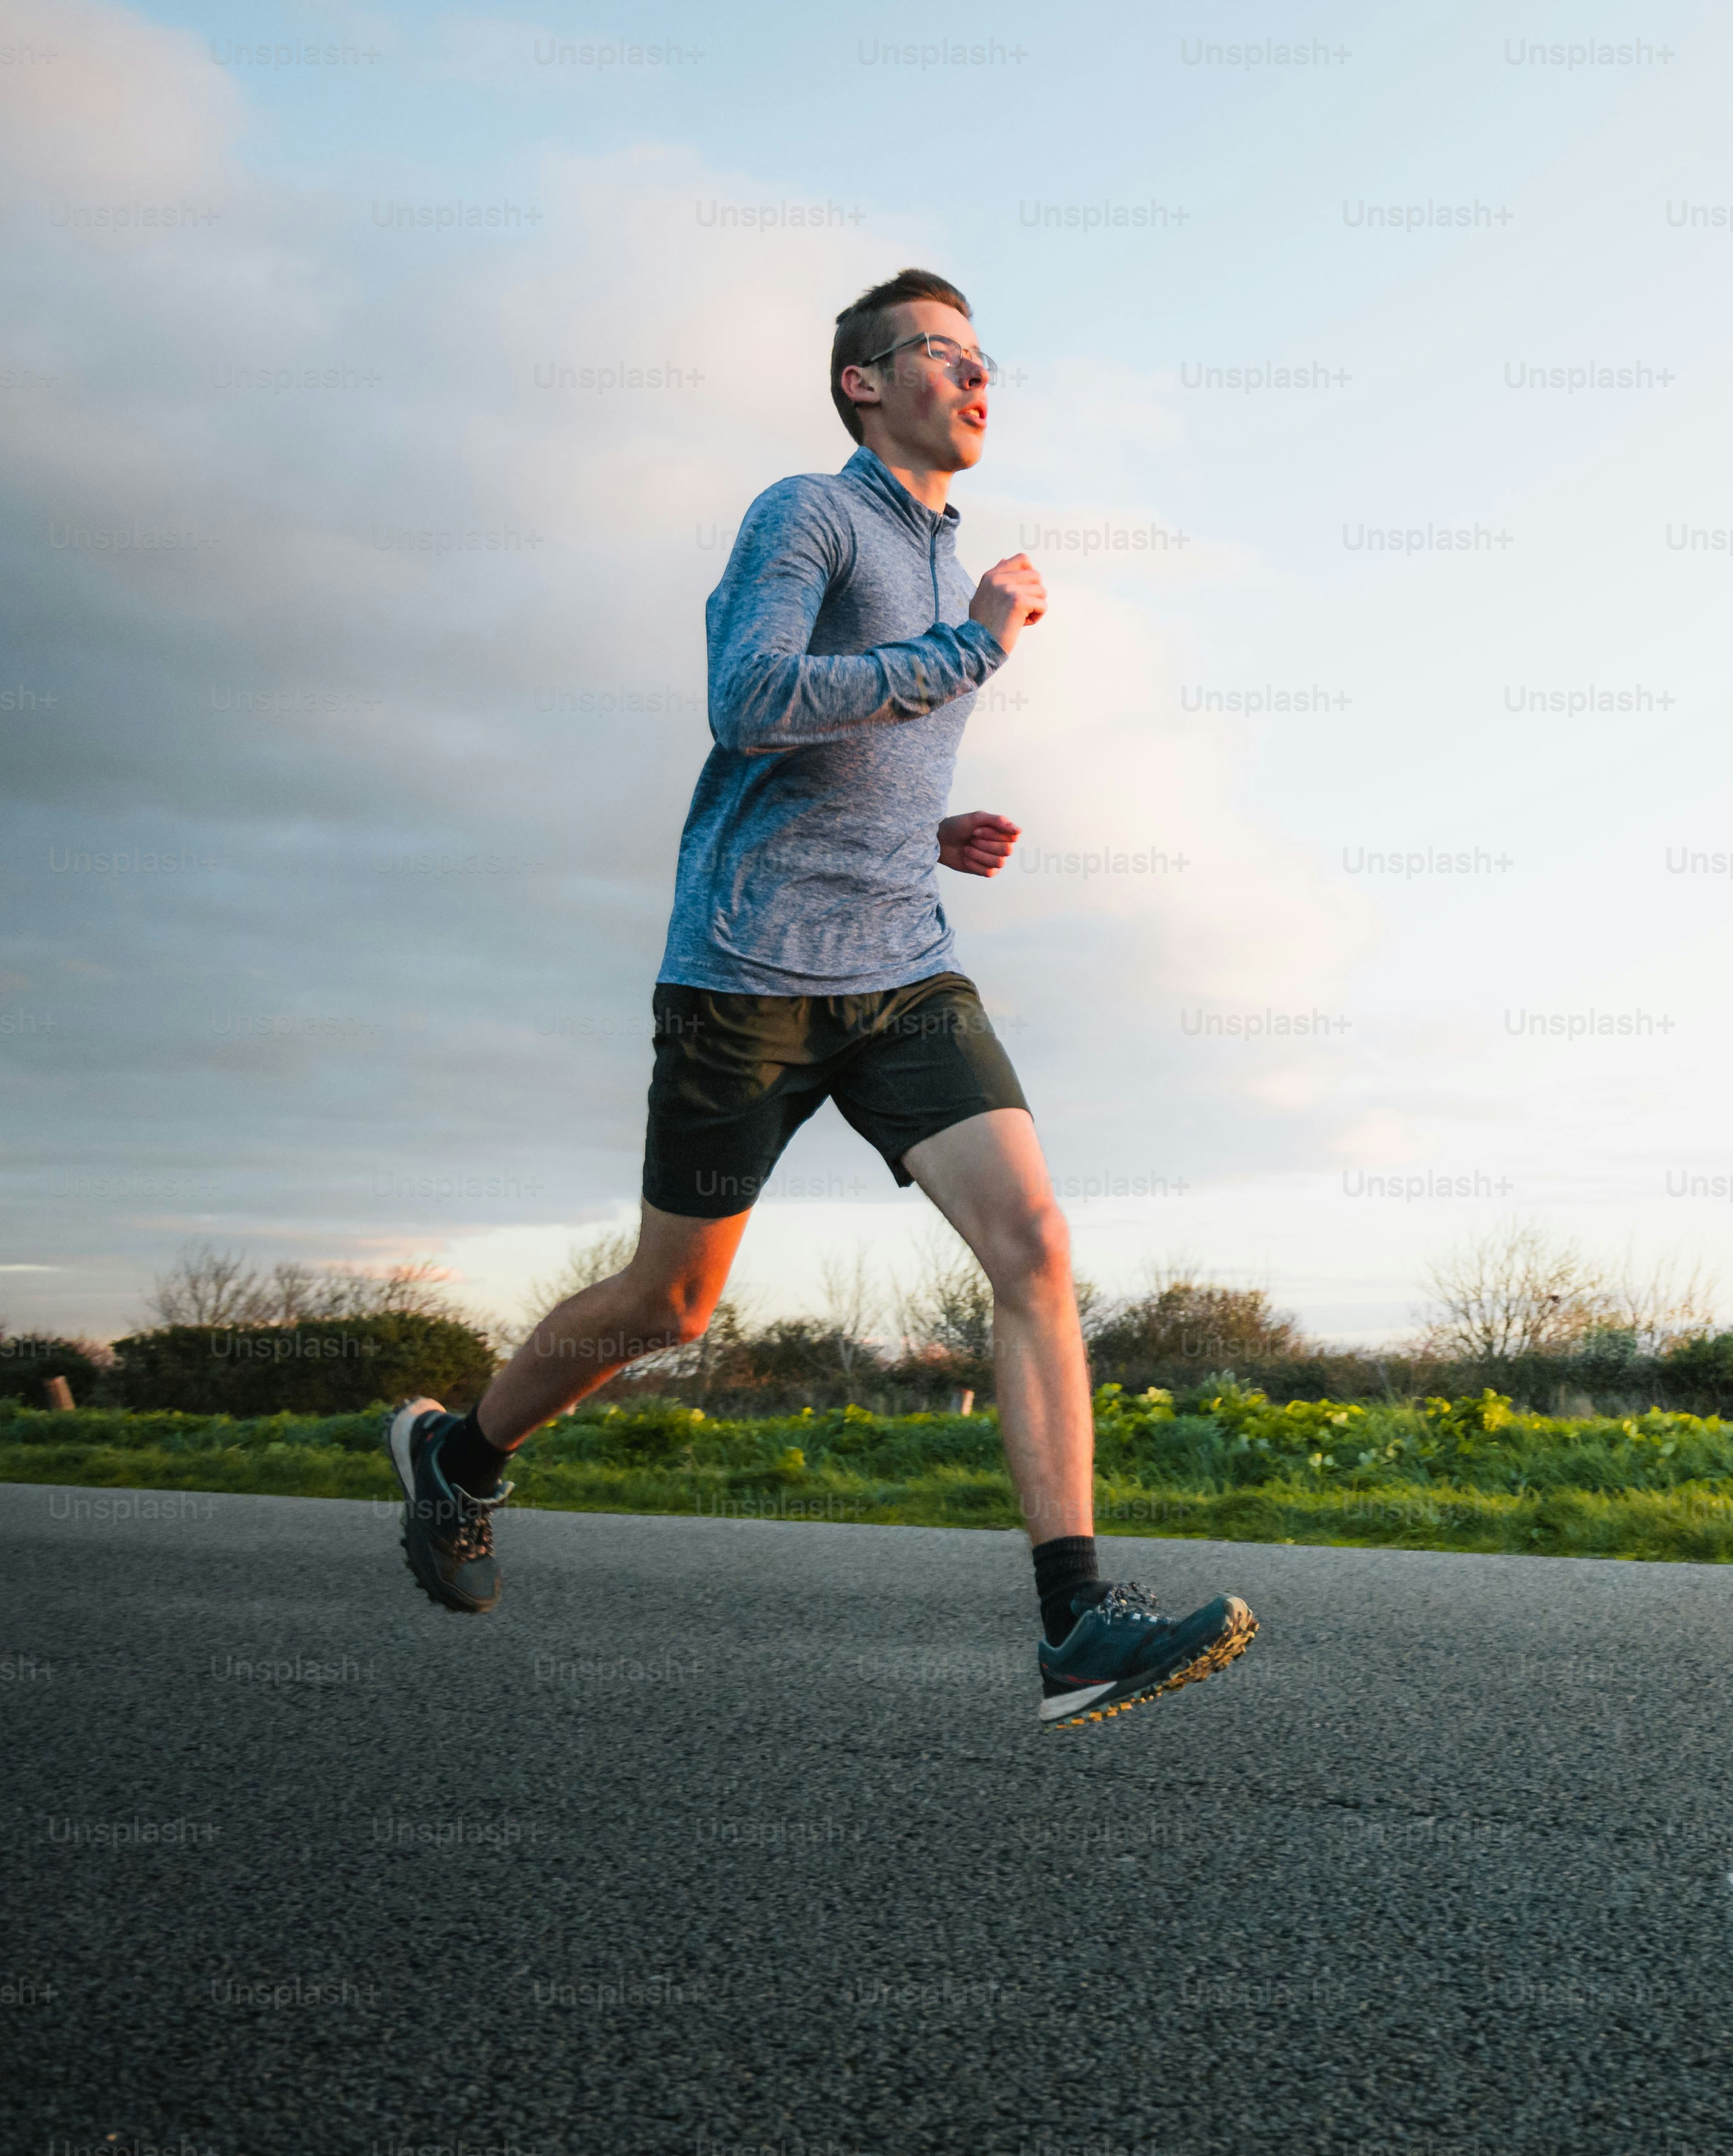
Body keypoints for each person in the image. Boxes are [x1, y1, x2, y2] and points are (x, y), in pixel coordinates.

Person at [381, 268, 1254, 1731]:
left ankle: (1076, 1623)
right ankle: (461, 1460)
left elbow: (856, 742)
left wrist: (927, 833)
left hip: (901, 962)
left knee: (1035, 1241)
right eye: (946, 356)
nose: (981, 382)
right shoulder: (810, 513)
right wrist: (975, 647)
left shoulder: (944, 554)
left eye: (990, 362)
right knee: (669, 1301)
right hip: (747, 974)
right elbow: (752, 699)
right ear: (866, 382)